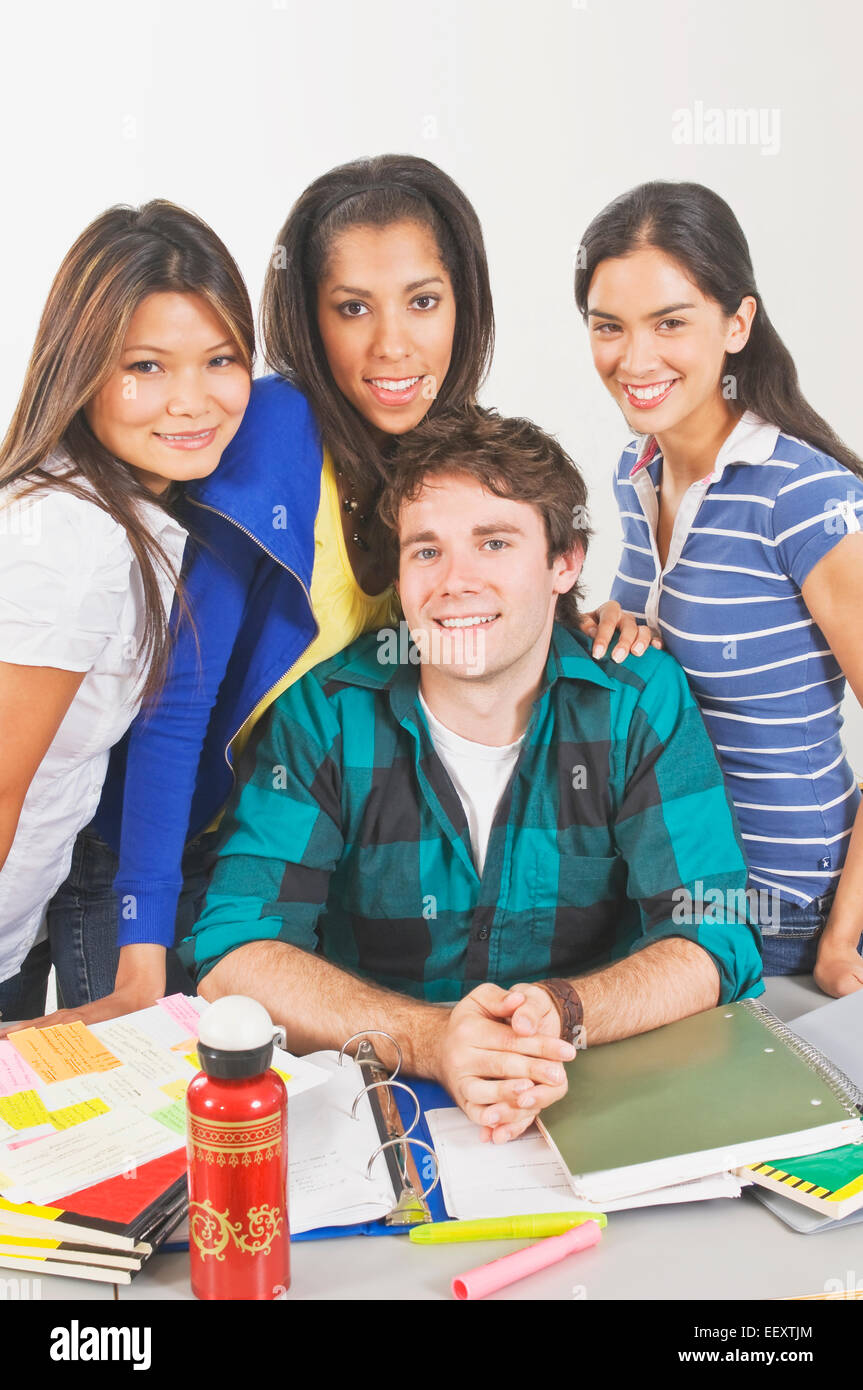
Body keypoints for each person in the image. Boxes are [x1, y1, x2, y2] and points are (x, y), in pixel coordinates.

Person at [182, 408, 763, 1142]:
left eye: (493, 542)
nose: (455, 582)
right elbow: (234, 953)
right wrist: (432, 1040)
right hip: (378, 1108)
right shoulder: (321, 715)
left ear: (564, 562)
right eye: (426, 551)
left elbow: (714, 936)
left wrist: (559, 1012)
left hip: (584, 1094)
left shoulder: (640, 701)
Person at [13, 154, 495, 1031]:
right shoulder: (271, 430)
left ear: (465, 305)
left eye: (422, 301)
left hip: (279, 860)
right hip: (149, 859)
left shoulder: (441, 460)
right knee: (147, 1133)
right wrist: (141, 952)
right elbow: (179, 700)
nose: (392, 344)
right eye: (353, 307)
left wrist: (593, 619)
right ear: (308, 321)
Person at [573, 180, 863, 994]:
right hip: (673, 897)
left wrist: (842, 941)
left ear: (736, 324)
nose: (634, 359)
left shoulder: (805, 498)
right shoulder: (637, 473)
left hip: (787, 917)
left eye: (670, 322)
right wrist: (614, 629)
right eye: (608, 327)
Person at [0, 201, 254, 1024]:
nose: (191, 402)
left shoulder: (127, 513)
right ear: (80, 370)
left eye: (219, 360)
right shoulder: (70, 537)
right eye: (145, 366)